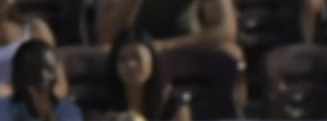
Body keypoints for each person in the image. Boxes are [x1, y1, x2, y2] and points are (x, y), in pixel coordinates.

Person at [96, 0, 242, 59]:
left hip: (186, 49)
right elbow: (108, 37)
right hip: (132, 52)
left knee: (230, 53)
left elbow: (225, 30)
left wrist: (164, 46)